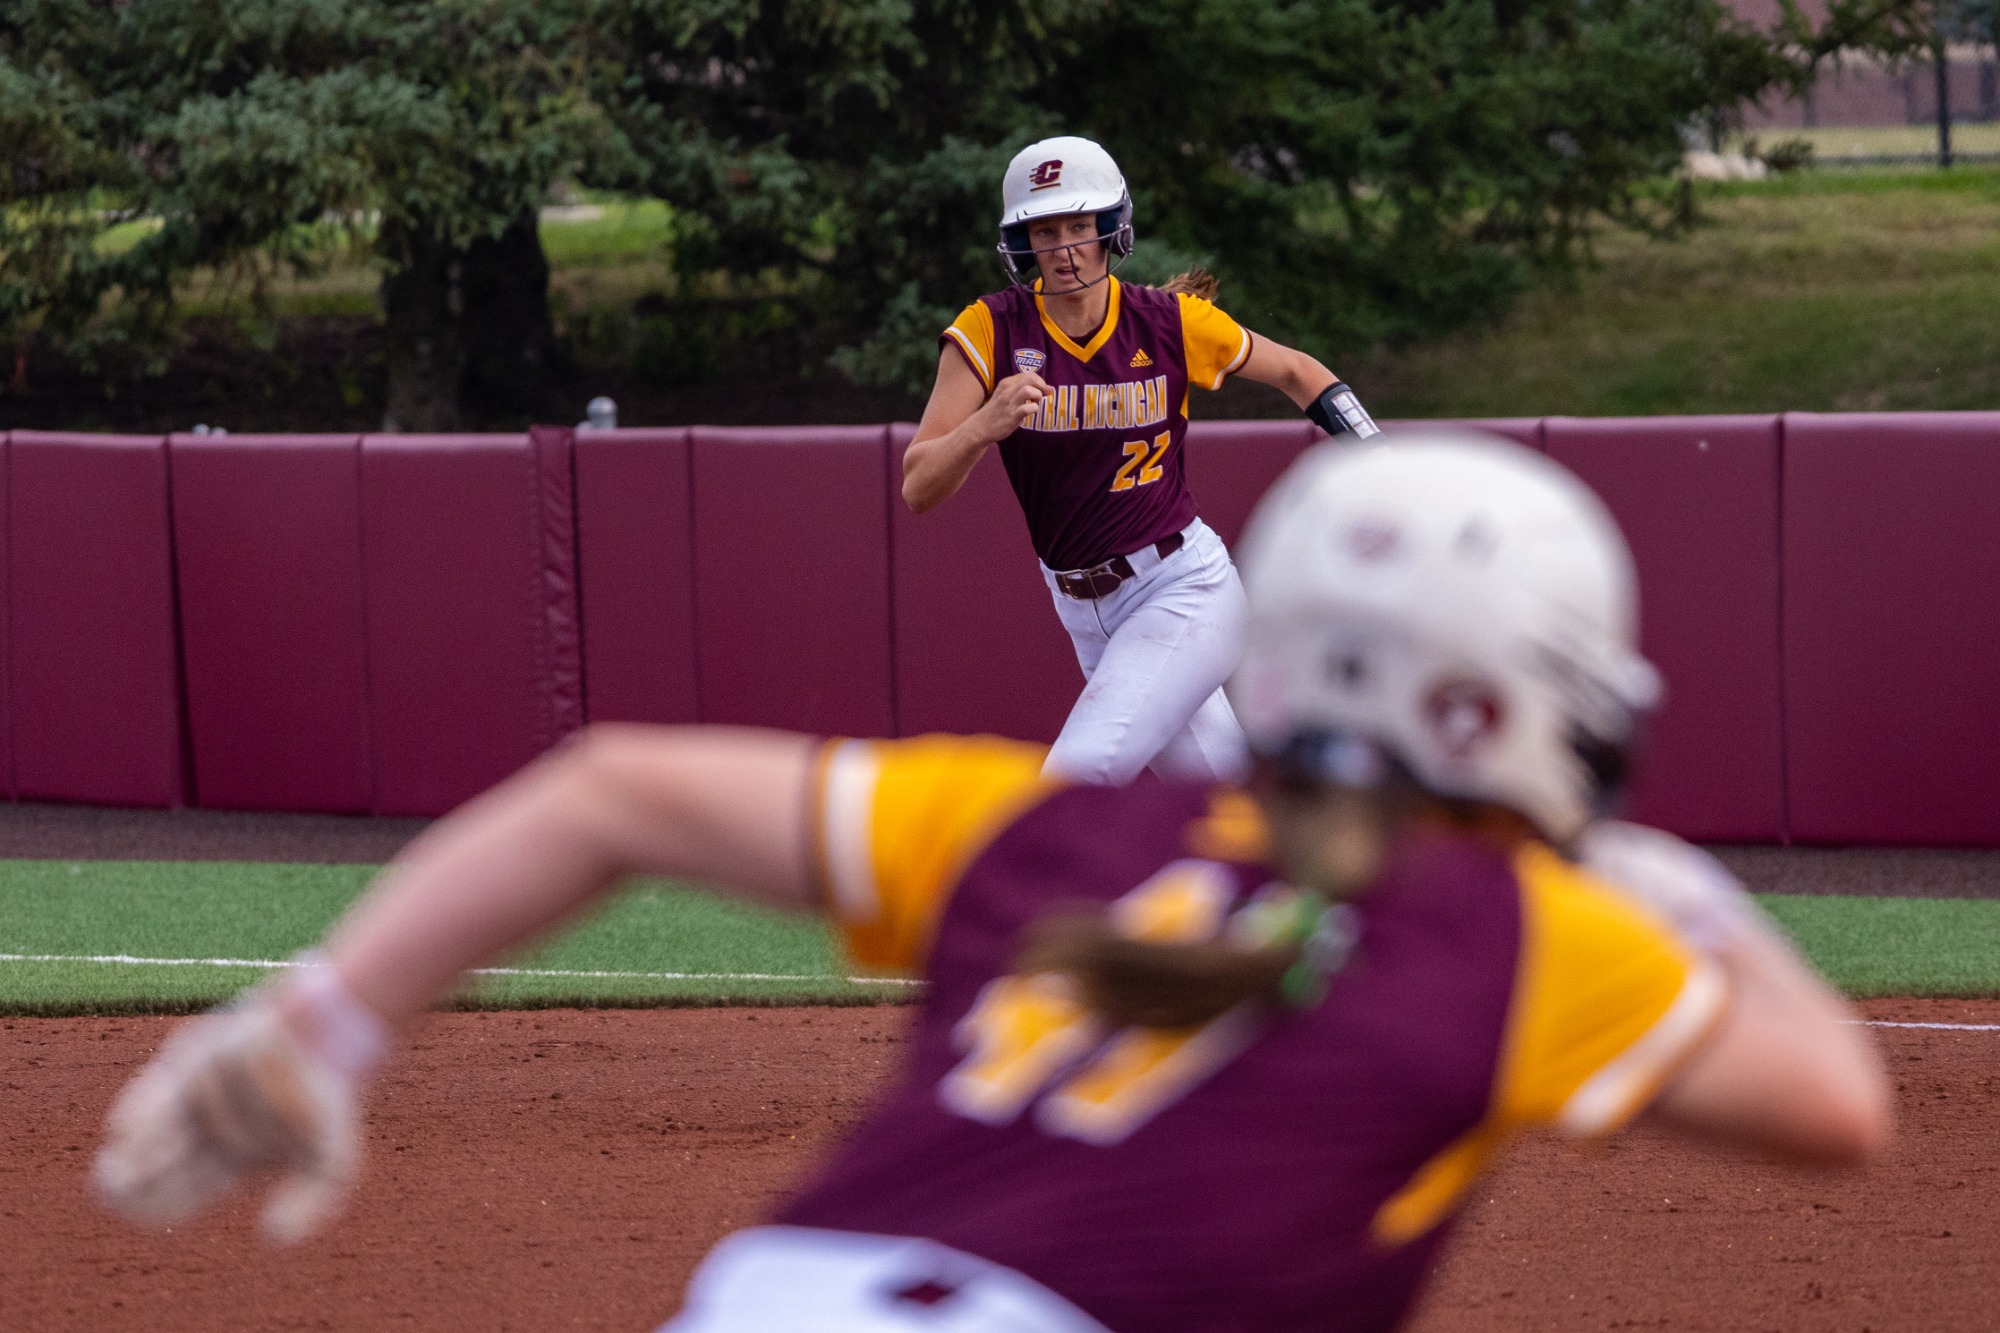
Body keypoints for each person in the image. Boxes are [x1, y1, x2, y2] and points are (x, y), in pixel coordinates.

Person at [96, 432, 1889, 1333]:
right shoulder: (1525, 930)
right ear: (1525, 709)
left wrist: (318, 1020)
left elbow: (613, 785)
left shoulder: (1050, 831)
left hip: (763, 1296)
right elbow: (1837, 1106)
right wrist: (1666, 879)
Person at [902, 134, 1381, 786]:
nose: (1065, 248)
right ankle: (1301, 855)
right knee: (1216, 798)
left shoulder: (1167, 321)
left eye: (1080, 225)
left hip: (1182, 587)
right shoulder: (991, 328)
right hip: (1082, 609)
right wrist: (984, 426)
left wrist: (1382, 460)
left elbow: (1298, 371)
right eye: (1045, 230)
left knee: (1074, 781)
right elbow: (919, 486)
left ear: (1111, 228)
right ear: (1022, 242)